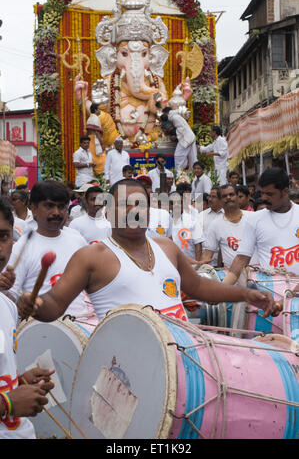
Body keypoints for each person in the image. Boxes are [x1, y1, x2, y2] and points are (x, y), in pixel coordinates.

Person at [17, 179, 278, 325]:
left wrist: (245, 294)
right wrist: (33, 304)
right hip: (127, 372)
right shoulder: (92, 256)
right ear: (108, 212)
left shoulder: (166, 247)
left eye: (139, 204)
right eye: (123, 204)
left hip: (185, 361)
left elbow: (199, 288)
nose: (133, 210)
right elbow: (54, 304)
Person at [0, 198, 54, 439]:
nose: (0, 248)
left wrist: (20, 383)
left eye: (3, 236)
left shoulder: (6, 306)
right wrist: (7, 403)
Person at [7, 180, 89, 316]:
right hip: (41, 327)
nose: (56, 212)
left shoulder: (77, 240)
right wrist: (22, 306)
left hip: (82, 325)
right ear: (33, 209)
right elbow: (10, 297)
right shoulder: (22, 248)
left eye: (62, 207)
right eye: (49, 206)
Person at [222, 168, 299, 286]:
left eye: (269, 194)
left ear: (285, 191)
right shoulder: (255, 219)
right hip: (269, 294)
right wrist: (221, 289)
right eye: (262, 193)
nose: (264, 198)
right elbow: (241, 259)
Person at [199, 184, 255, 280]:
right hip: (230, 277)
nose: (228, 197)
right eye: (224, 196)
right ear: (220, 201)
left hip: (257, 274)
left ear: (237, 197)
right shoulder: (215, 224)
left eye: (231, 194)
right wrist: (198, 273)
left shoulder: (254, 218)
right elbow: (207, 254)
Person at [171, 184, 205, 262]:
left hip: (190, 262)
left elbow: (198, 244)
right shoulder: (167, 219)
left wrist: (197, 264)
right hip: (172, 262)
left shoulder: (192, 219)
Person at [135, 175, 173, 240]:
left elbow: (170, 242)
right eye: (140, 186)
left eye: (147, 187)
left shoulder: (164, 214)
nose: (143, 189)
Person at [162, 107, 197, 171]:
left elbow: (182, 128)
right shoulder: (175, 117)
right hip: (190, 137)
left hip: (186, 138)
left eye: (164, 114)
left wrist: (176, 136)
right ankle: (192, 174)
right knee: (193, 158)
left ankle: (179, 173)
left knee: (178, 155)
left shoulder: (174, 117)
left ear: (166, 113)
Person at [200, 186, 224, 267]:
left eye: (213, 197)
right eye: (209, 196)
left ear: (221, 199)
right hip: (205, 262)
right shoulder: (201, 216)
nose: (209, 199)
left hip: (224, 263)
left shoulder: (227, 215)